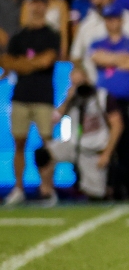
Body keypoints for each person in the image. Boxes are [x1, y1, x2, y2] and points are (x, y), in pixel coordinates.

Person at [3, 0, 61, 205]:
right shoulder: (19, 36)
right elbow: (7, 62)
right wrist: (31, 64)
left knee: (47, 144)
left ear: (46, 7)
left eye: (41, 3)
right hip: (21, 95)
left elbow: (47, 61)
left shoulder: (52, 35)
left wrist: (23, 64)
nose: (37, 7)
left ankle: (48, 188)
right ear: (28, 6)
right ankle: (18, 188)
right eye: (34, 3)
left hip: (43, 96)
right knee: (19, 142)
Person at [88, 6, 129, 200]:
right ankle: (115, 187)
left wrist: (111, 60)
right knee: (109, 144)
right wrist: (123, 59)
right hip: (107, 102)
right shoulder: (98, 42)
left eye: (115, 19)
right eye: (108, 19)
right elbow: (97, 57)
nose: (112, 23)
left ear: (121, 21)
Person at [41, 65, 121, 201]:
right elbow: (54, 119)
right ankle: (47, 191)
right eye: (74, 83)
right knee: (42, 154)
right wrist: (68, 98)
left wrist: (107, 153)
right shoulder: (72, 99)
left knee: (96, 196)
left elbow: (117, 125)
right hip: (74, 146)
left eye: (80, 82)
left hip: (94, 150)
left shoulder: (102, 97)